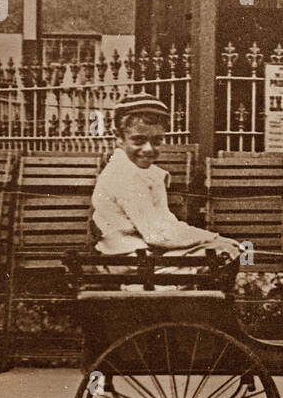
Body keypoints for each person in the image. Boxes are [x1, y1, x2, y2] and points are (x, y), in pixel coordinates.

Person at [91, 94, 243, 277]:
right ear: (119, 137)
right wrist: (212, 237)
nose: (148, 149)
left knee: (221, 249)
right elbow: (157, 234)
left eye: (156, 141)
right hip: (126, 260)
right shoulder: (124, 174)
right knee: (222, 252)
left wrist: (211, 240)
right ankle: (145, 288)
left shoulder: (144, 172)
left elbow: (165, 223)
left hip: (144, 255)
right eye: (138, 140)